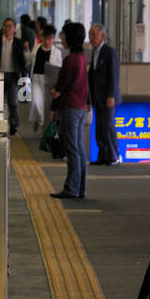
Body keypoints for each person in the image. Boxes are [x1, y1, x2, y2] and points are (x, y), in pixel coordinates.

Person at [50, 22, 89, 199]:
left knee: (72, 149)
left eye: (63, 34)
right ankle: (80, 188)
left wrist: (55, 92)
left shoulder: (70, 59)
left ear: (70, 37)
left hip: (70, 107)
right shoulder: (81, 58)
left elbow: (61, 85)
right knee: (79, 148)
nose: (61, 37)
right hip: (80, 106)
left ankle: (71, 189)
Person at [87, 24, 121, 165]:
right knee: (99, 127)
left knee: (108, 125)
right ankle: (102, 156)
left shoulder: (110, 52)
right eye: (90, 35)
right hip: (97, 96)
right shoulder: (95, 51)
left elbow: (114, 75)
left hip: (108, 97)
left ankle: (113, 156)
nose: (91, 38)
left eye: (94, 35)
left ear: (103, 36)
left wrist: (111, 95)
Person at [0, 17, 28, 136]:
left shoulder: (18, 42)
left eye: (10, 26)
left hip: (13, 75)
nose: (7, 28)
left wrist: (25, 78)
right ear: (2, 27)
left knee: (13, 102)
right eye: (5, 26)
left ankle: (14, 125)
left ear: (14, 29)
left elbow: (22, 62)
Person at [30, 25, 57, 133]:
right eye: (45, 38)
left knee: (47, 106)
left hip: (49, 81)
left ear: (53, 39)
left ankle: (43, 125)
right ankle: (40, 120)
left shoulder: (57, 52)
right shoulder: (36, 48)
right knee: (36, 102)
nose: (47, 41)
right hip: (37, 79)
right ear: (42, 38)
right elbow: (29, 62)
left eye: (50, 39)